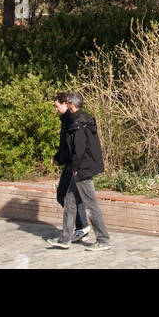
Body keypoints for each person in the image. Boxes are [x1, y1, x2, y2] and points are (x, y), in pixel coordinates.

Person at [47, 92, 111, 251]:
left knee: (91, 205)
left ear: (71, 104)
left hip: (82, 170)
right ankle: (65, 238)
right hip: (82, 168)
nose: (66, 106)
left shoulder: (78, 123)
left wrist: (75, 168)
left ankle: (103, 239)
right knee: (69, 200)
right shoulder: (84, 119)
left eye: (68, 104)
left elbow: (80, 149)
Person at [52, 92, 89, 242]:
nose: (56, 109)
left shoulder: (70, 119)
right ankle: (81, 227)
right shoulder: (66, 119)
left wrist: (72, 162)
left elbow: (71, 145)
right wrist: (57, 156)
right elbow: (64, 144)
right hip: (70, 163)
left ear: (66, 104)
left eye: (57, 106)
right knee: (71, 196)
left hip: (73, 164)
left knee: (64, 195)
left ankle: (81, 227)